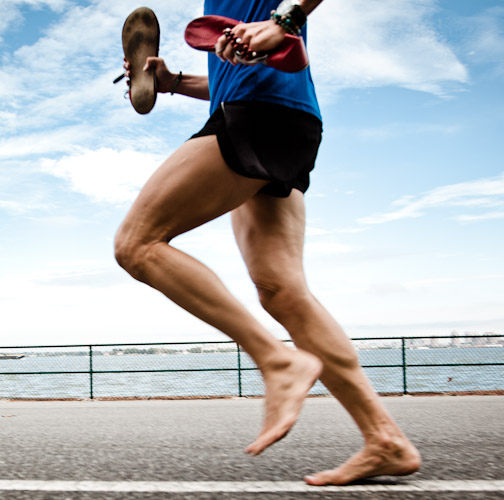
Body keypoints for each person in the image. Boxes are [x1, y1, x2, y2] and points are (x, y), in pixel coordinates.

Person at [115, 0, 421, 486]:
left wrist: (286, 20)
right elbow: (231, 76)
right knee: (282, 291)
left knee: (137, 244)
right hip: (282, 121)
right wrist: (174, 82)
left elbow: (272, 41)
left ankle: (275, 360)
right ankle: (385, 439)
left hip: (260, 114)